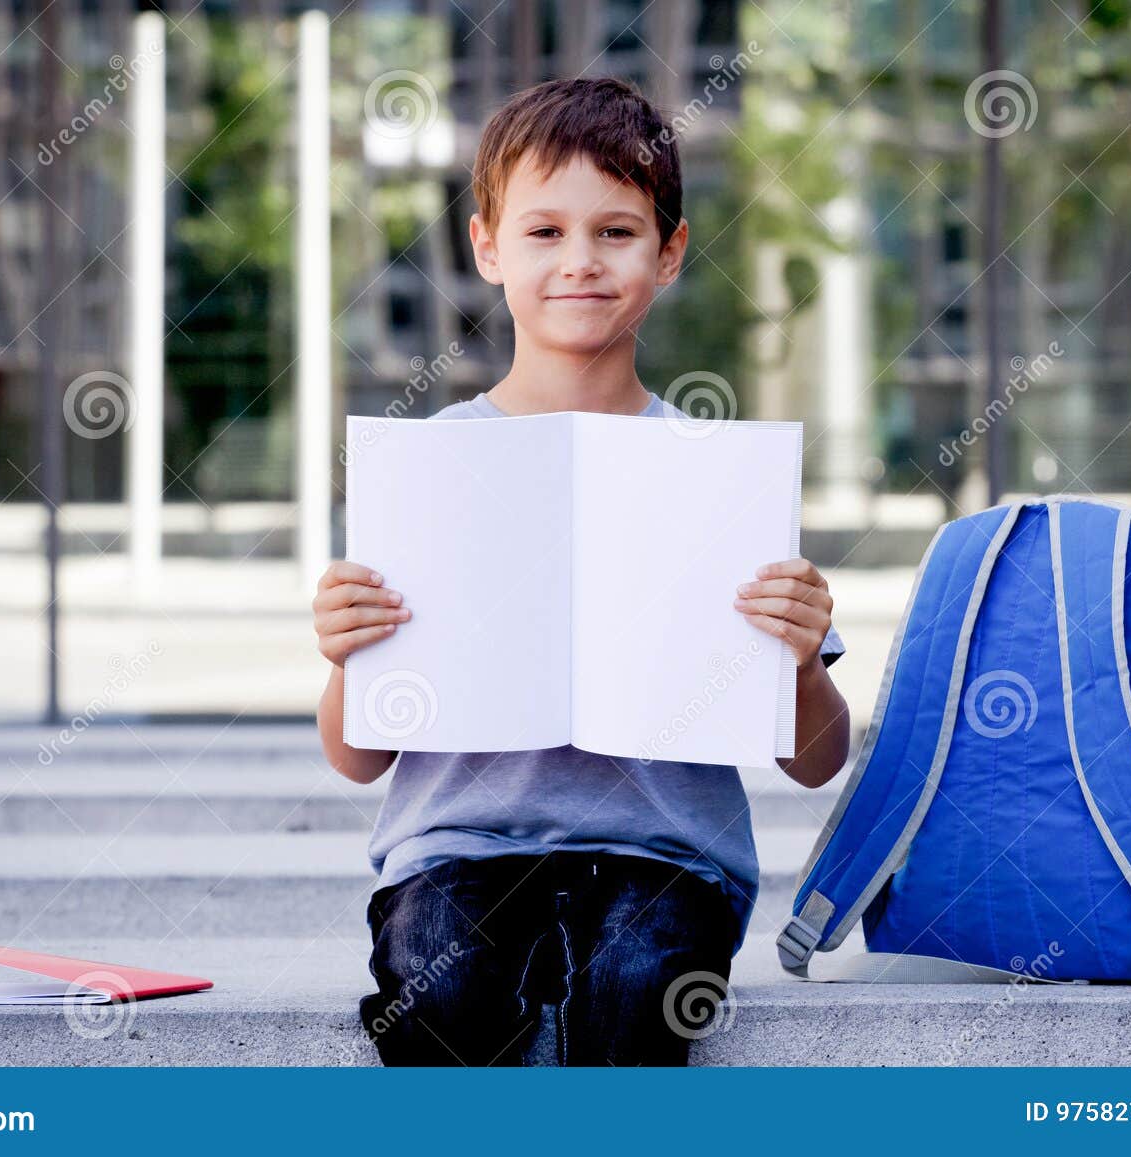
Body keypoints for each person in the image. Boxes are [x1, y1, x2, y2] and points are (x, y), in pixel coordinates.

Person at [313, 77, 850, 1066]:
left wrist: (804, 658)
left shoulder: (717, 476)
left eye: (615, 231)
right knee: (445, 985)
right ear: (486, 246)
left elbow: (815, 760)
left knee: (636, 986)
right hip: (457, 853)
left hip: (667, 861)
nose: (579, 262)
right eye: (543, 232)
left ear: (670, 252)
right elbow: (356, 757)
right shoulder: (427, 469)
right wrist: (348, 658)